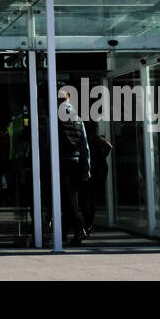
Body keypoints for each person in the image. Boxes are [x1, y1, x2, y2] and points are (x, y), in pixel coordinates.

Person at [57, 90, 91, 246]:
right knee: (72, 198)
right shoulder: (78, 119)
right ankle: (67, 231)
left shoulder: (56, 118)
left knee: (68, 200)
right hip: (76, 162)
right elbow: (85, 146)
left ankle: (79, 228)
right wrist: (87, 168)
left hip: (62, 162)